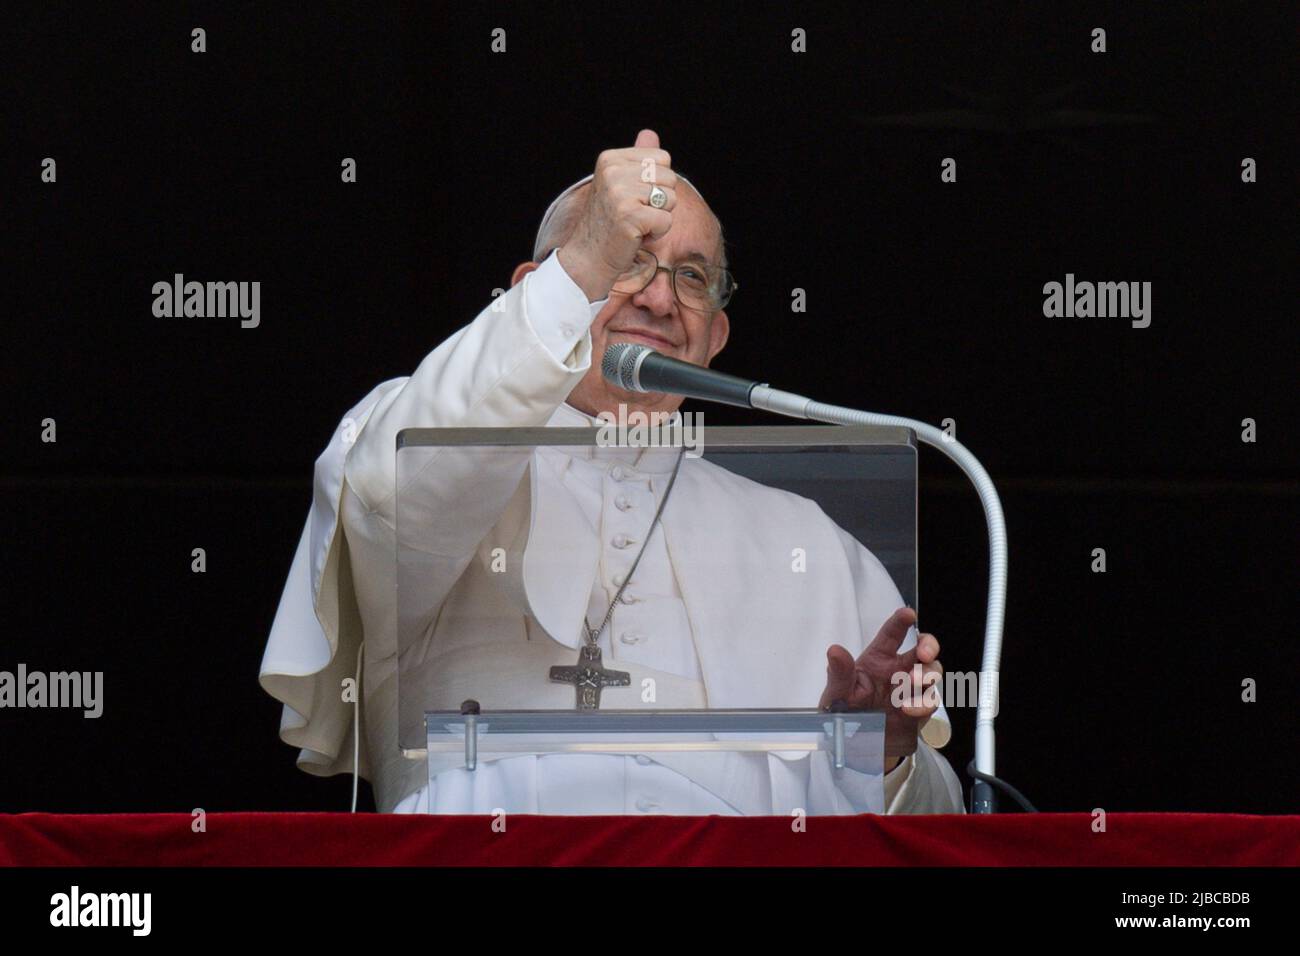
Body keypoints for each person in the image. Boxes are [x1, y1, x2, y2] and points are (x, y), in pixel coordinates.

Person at [260, 129, 965, 815]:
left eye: (691, 277)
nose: (659, 300)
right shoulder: (411, 430)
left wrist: (883, 756)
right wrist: (581, 265)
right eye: (627, 258)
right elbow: (398, 498)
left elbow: (937, 834)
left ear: (714, 339)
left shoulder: (813, 543)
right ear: (537, 293)